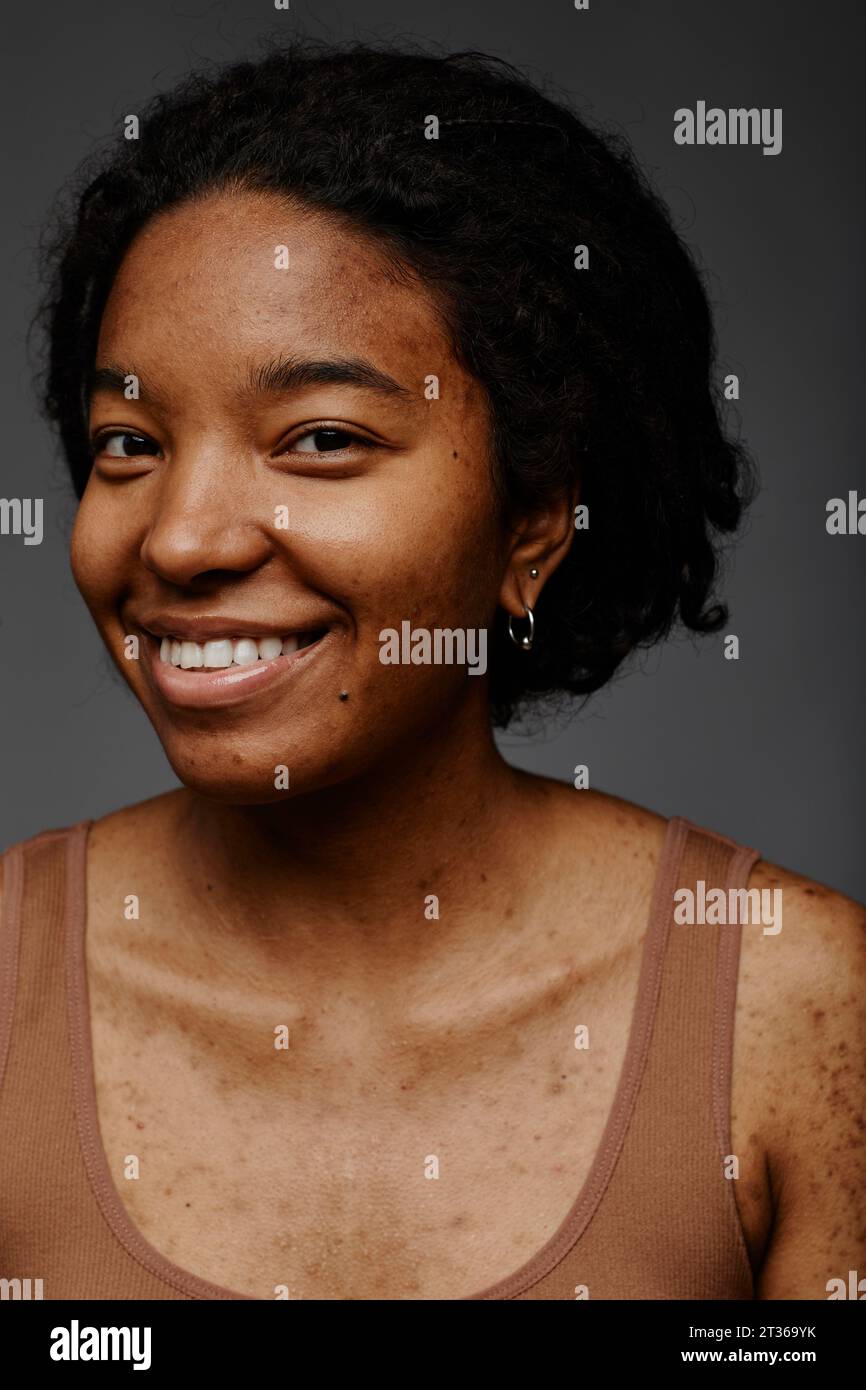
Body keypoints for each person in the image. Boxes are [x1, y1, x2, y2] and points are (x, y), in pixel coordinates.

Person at [1, 38, 863, 1301]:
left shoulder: (790, 1009)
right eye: (128, 442)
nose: (179, 537)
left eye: (322, 439)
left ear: (535, 521)